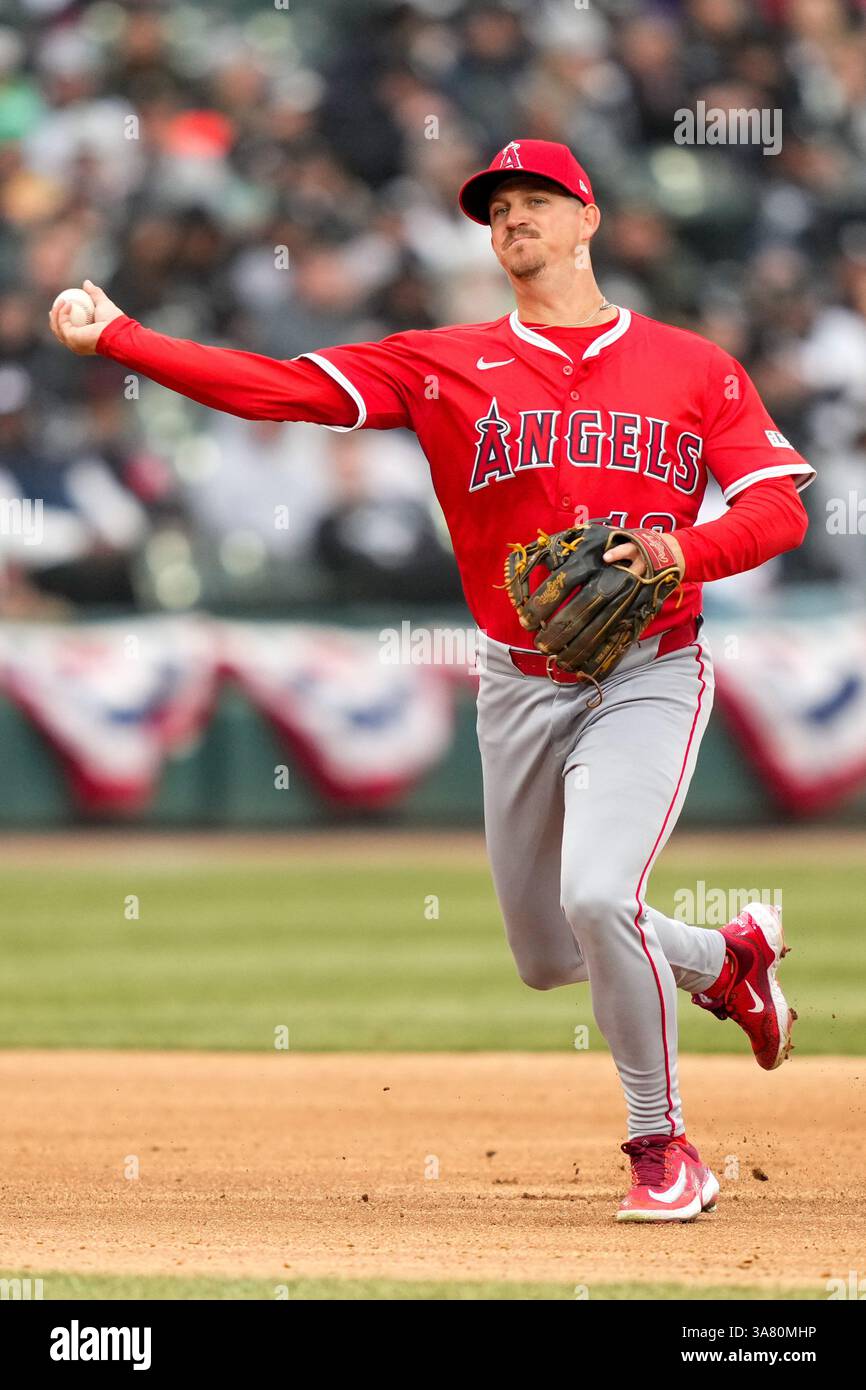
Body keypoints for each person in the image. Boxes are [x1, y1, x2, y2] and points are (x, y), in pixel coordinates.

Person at [49, 138, 813, 1223]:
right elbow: (275, 392)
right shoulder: (442, 361)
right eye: (495, 205)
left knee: (599, 897)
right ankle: (724, 961)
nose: (513, 218)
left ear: (587, 218)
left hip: (650, 667)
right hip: (516, 679)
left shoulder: (692, 365)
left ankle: (661, 1145)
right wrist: (121, 335)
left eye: (536, 199)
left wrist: (673, 555)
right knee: (551, 953)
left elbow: (777, 504)